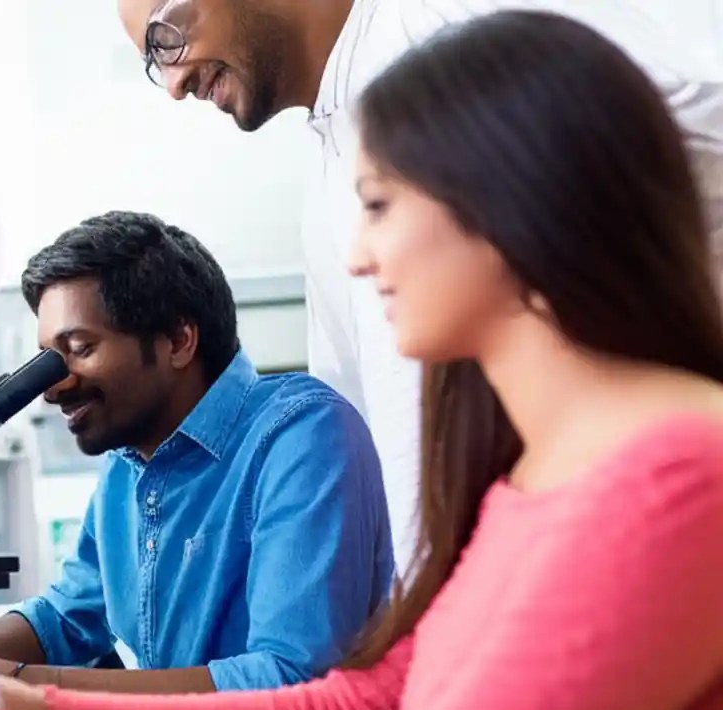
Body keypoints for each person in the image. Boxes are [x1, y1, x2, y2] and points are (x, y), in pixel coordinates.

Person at [0, 10, 723, 710]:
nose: (356, 256)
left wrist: (37, 696)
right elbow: (375, 697)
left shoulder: (673, 476)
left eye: (378, 204)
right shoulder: (515, 488)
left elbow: (292, 677)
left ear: (510, 194)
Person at [118, 0, 723, 570]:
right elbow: (372, 443)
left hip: (602, 556)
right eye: (153, 63)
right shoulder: (329, 189)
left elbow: (703, 125)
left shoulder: (452, 23)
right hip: (469, 605)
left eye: (165, 36)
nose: (173, 84)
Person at [0, 210, 394, 697]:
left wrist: (14, 684)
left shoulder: (301, 435)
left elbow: (289, 680)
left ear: (179, 341)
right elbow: (67, 616)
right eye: (45, 359)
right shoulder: (126, 465)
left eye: (79, 350)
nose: (52, 387)